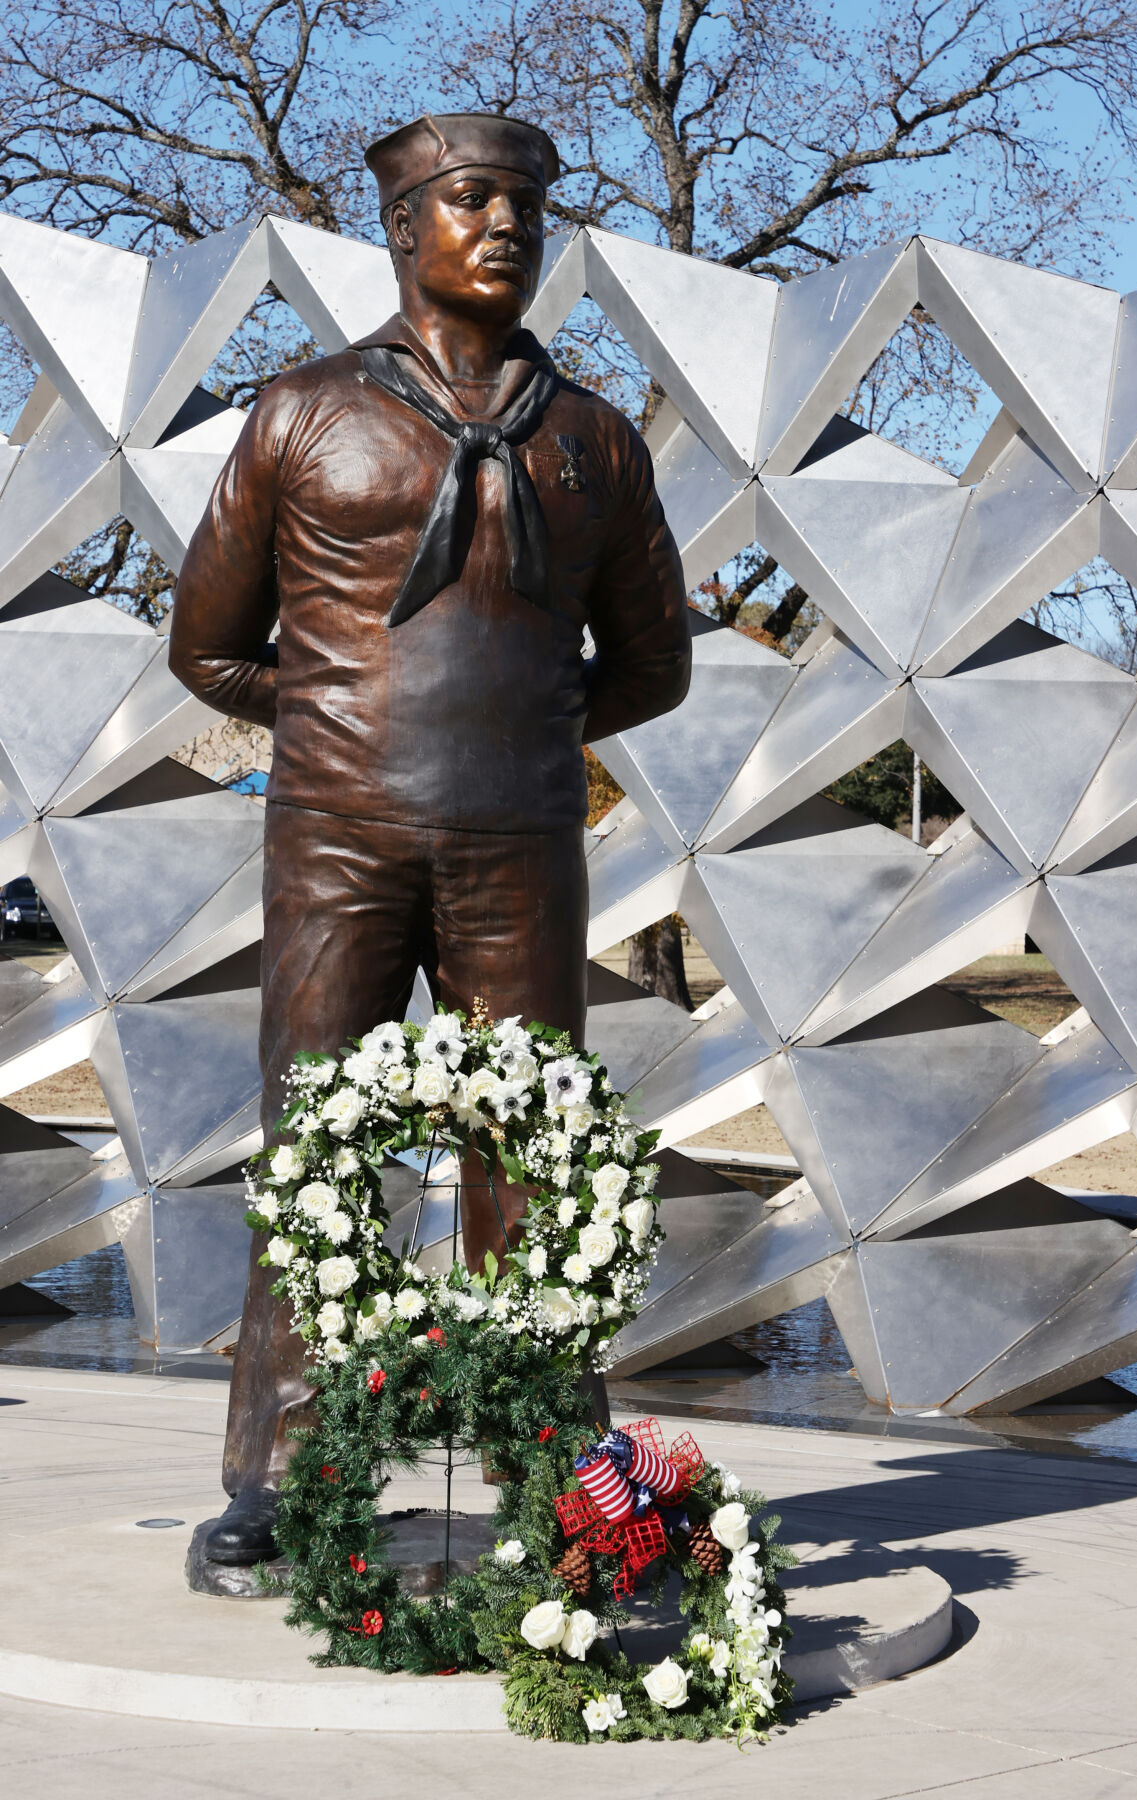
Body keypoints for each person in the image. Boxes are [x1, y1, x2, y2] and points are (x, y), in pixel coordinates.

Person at [169, 112, 691, 1565]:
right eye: (474, 200)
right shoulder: (299, 413)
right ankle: (277, 1473)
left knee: (529, 1157)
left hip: (520, 846)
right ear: (405, 227)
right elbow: (207, 650)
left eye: (528, 202)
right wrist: (346, 715)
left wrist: (521, 722)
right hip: (336, 844)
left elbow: (656, 662)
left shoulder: (592, 436)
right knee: (314, 1148)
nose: (508, 224)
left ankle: (548, 1470)